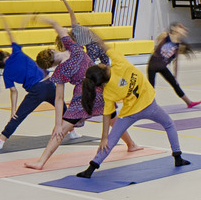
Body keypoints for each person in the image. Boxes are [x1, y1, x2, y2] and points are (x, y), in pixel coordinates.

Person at [74, 45, 190, 177]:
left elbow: (107, 114)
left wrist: (104, 137)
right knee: (169, 124)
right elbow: (106, 48)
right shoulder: (120, 64)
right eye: (101, 64)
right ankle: (178, 157)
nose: (101, 63)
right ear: (104, 68)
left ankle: (91, 169)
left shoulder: (108, 92)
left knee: (111, 140)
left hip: (130, 113)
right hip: (150, 106)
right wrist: (97, 39)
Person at [23, 14, 96, 170]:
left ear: (49, 66)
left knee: (60, 131)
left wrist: (57, 124)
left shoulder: (60, 71)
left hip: (83, 96)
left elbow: (59, 99)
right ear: (51, 49)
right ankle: (131, 144)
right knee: (112, 117)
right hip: (99, 85)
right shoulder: (74, 47)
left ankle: (41, 162)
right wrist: (40, 18)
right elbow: (56, 24)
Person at [147, 22, 201, 108]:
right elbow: (157, 41)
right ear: (175, 29)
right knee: (151, 86)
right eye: (181, 28)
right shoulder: (165, 35)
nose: (183, 31)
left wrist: (175, 76)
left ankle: (189, 102)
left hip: (162, 66)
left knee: (175, 84)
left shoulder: (178, 45)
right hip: (153, 63)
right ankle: (149, 105)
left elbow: (176, 62)